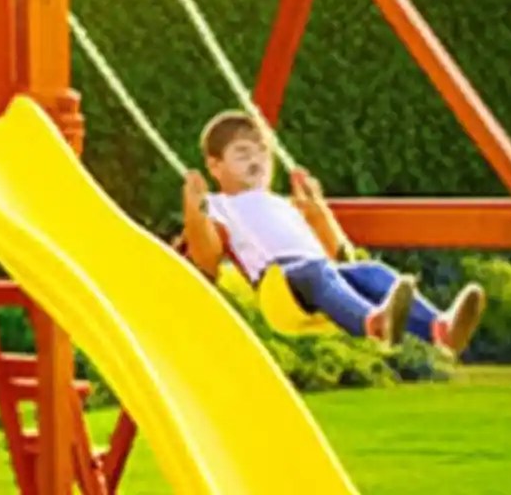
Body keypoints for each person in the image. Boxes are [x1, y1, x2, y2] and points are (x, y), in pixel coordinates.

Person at [182, 110, 485, 355]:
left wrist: (319, 213)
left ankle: (441, 329)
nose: (257, 161)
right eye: (243, 153)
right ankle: (375, 323)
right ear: (215, 165)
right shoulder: (220, 206)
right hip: (278, 289)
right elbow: (207, 260)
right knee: (316, 271)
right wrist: (195, 211)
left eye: (263, 152)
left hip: (317, 276)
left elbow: (340, 256)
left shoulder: (286, 205)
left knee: (370, 271)